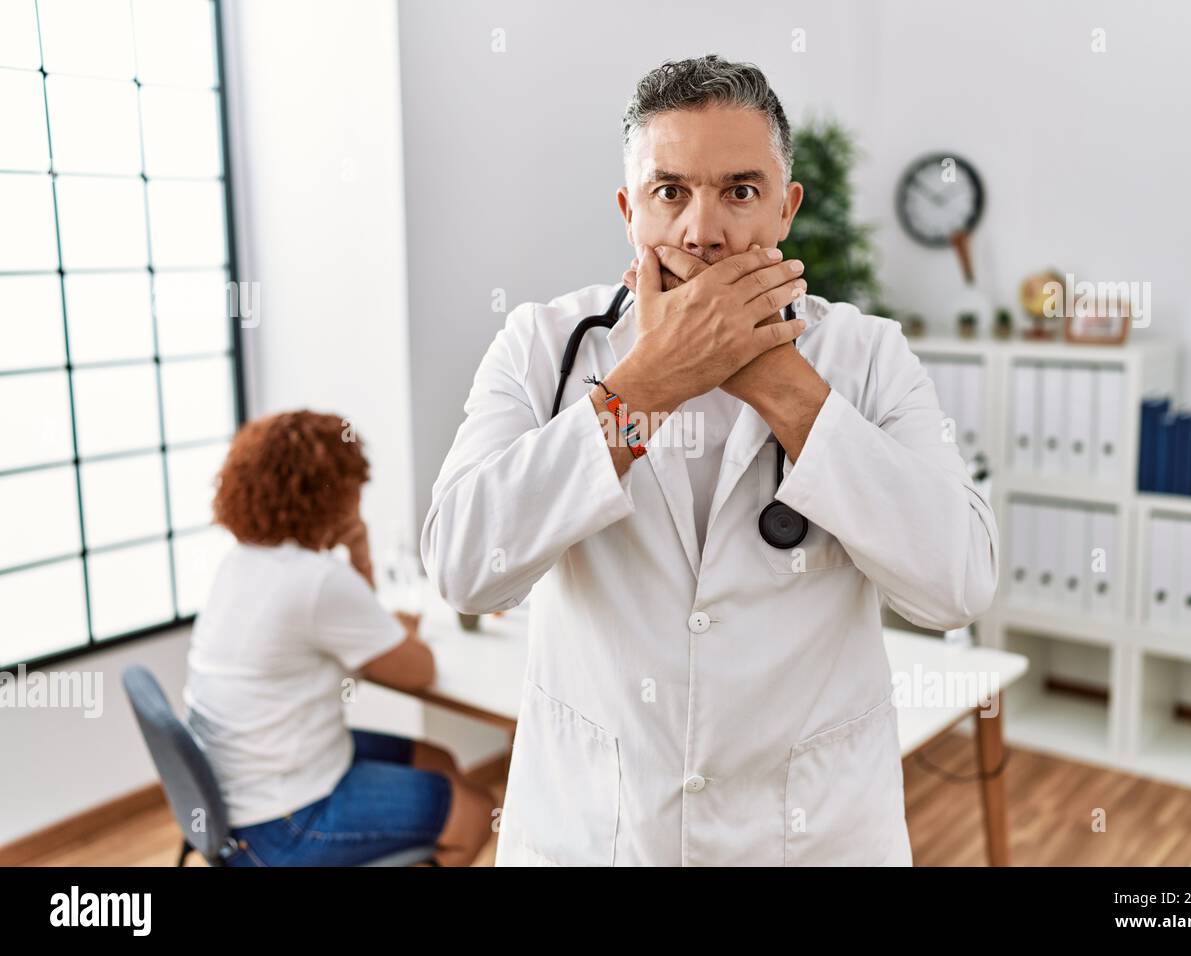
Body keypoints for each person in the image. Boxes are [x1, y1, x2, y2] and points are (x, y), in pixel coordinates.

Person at [423, 55, 998, 866]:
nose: (703, 231)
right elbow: (463, 567)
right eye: (670, 192)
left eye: (740, 191)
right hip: (598, 838)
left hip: (811, 841)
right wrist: (649, 387)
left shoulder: (868, 358)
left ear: (787, 207)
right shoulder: (541, 346)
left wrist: (783, 387)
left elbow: (958, 584)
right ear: (629, 210)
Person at [185, 410, 493, 866]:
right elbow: (419, 670)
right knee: (479, 811)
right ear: (332, 496)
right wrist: (369, 575)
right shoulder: (317, 580)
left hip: (238, 791)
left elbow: (364, 632)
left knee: (440, 761)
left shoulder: (242, 562)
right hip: (281, 821)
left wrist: (359, 558)